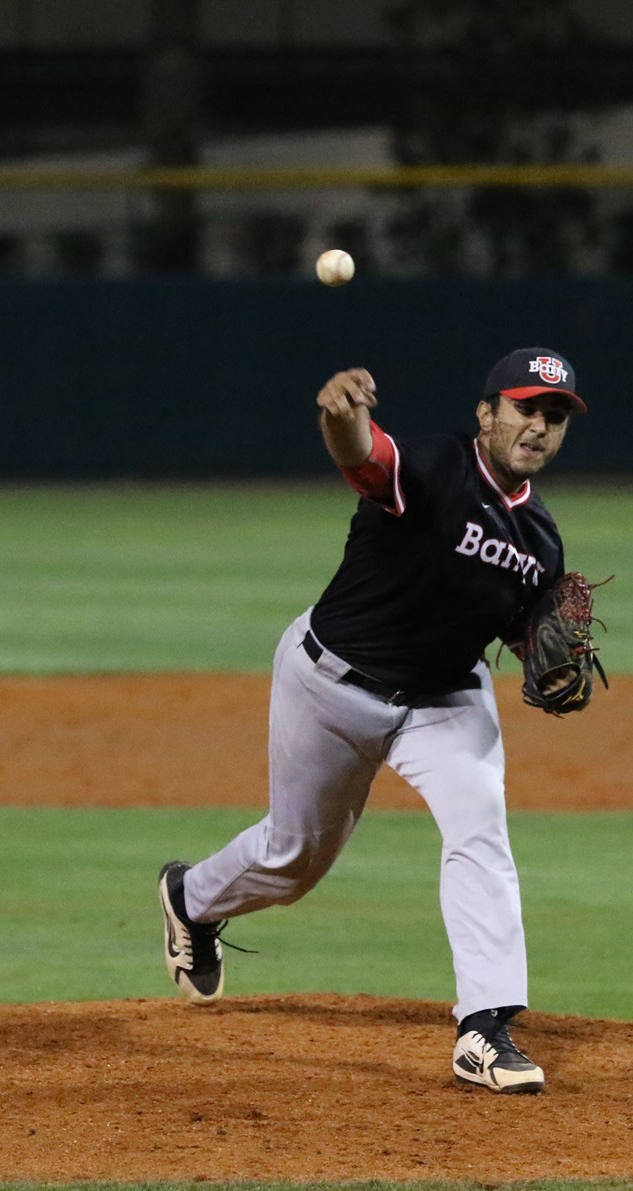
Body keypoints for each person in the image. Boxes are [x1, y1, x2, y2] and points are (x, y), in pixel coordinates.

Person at [157, 347, 592, 1095]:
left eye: (555, 417)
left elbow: (527, 632)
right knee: (294, 859)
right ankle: (190, 899)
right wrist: (342, 417)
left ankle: (484, 1028)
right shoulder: (430, 467)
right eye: (526, 408)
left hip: (444, 700)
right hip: (329, 683)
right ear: (487, 413)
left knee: (480, 827)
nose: (540, 426)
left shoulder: (541, 542)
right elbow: (363, 457)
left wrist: (546, 658)